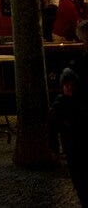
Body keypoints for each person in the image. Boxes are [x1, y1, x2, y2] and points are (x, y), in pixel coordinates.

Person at [49, 67, 88, 205]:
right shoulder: (59, 105)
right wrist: (54, 149)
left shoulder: (82, 102)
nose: (69, 88)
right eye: (66, 85)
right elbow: (52, 129)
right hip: (71, 149)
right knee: (79, 182)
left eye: (71, 85)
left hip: (84, 147)